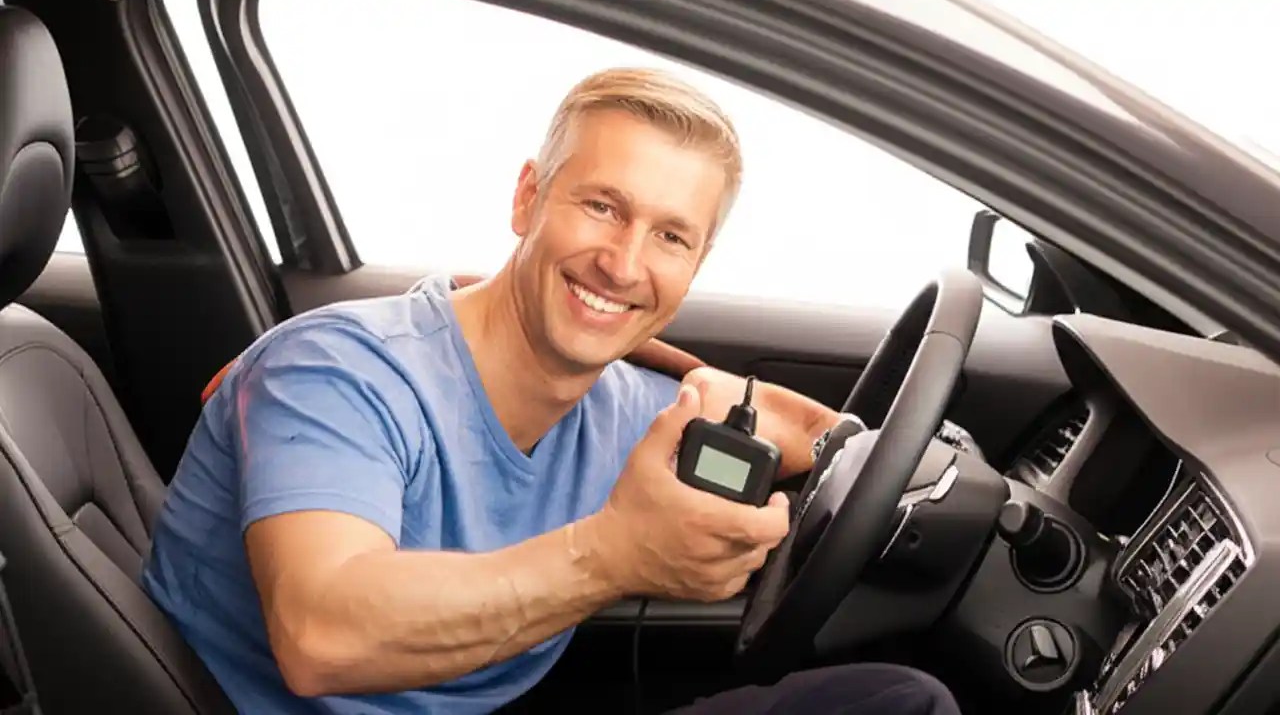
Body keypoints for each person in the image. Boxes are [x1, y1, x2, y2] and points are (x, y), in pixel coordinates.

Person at [140, 67, 960, 715]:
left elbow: (813, 432)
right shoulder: (337, 373)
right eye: (603, 207)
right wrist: (614, 554)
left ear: (697, 263)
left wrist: (904, 482)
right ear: (528, 196)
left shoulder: (625, 409)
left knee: (897, 699)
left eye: (671, 236)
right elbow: (321, 633)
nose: (625, 263)